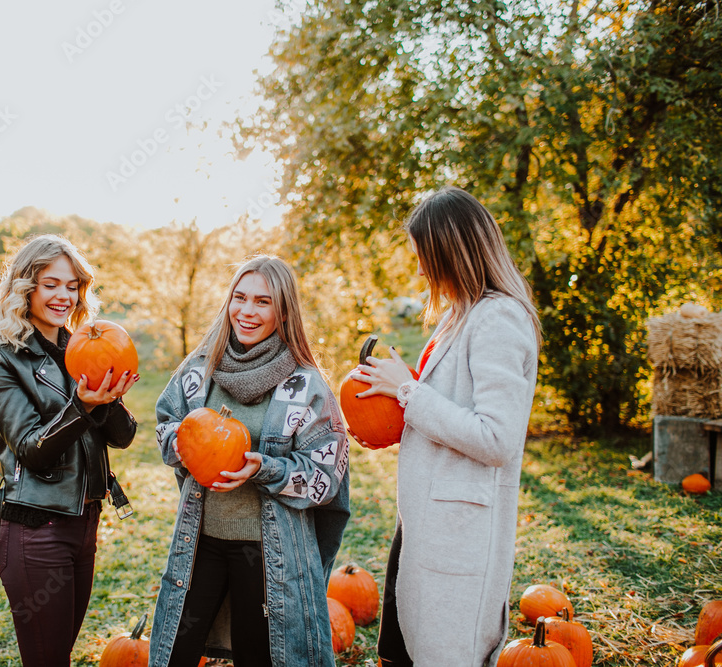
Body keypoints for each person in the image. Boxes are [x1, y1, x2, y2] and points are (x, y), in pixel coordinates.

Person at [350, 186, 541, 666]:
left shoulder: (499, 319)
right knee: (402, 650)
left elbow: (496, 438)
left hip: (459, 531)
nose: (418, 270)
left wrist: (407, 392)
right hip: (422, 522)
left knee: (443, 653)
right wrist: (386, 416)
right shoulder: (461, 316)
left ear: (451, 253)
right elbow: (443, 412)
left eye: (423, 257)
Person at [148, 255, 350, 667]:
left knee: (257, 653)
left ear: (283, 310)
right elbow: (165, 425)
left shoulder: (305, 385)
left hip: (265, 553)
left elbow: (324, 478)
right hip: (199, 540)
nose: (247, 311)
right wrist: (184, 444)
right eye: (239, 298)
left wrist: (266, 469)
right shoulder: (199, 369)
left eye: (262, 301)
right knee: (173, 650)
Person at [0, 234, 139, 667]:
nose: (63, 295)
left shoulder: (83, 346)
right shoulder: (2, 359)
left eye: (72, 285)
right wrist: (83, 405)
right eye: (51, 284)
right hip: (35, 531)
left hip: (85, 525)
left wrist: (111, 399)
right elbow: (32, 450)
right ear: (26, 287)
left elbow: (122, 438)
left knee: (58, 653)